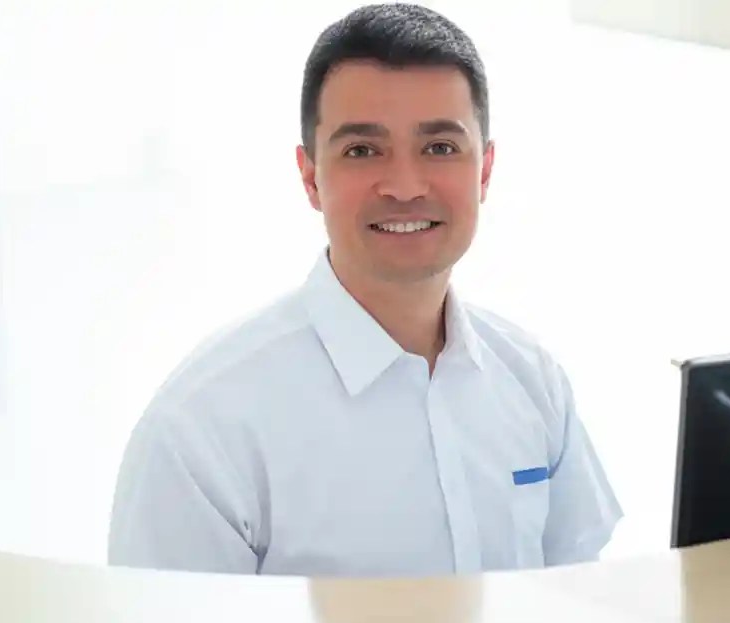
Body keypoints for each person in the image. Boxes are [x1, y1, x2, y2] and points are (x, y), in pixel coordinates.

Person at [107, 2, 622, 577]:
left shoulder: (533, 381)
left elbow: (580, 606)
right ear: (310, 177)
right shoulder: (204, 425)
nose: (404, 186)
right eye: (362, 150)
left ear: (485, 171)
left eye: (440, 148)